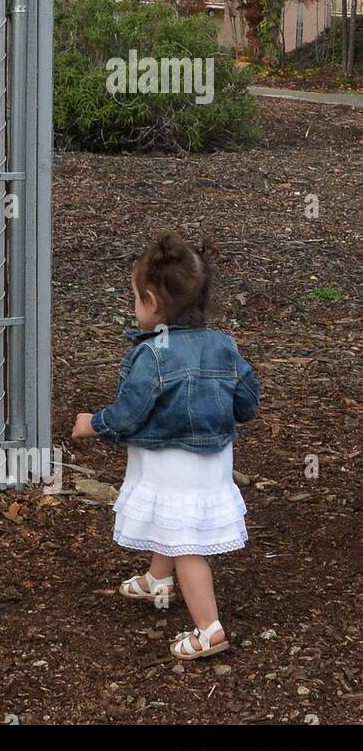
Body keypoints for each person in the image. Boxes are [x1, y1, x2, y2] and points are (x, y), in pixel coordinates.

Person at [72, 232, 260, 661]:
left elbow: (128, 414)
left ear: (153, 302)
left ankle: (209, 630)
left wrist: (93, 423)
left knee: (187, 544)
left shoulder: (153, 355)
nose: (135, 306)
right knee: (175, 522)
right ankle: (158, 579)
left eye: (136, 298)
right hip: (211, 464)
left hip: (170, 463)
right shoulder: (224, 346)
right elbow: (247, 403)